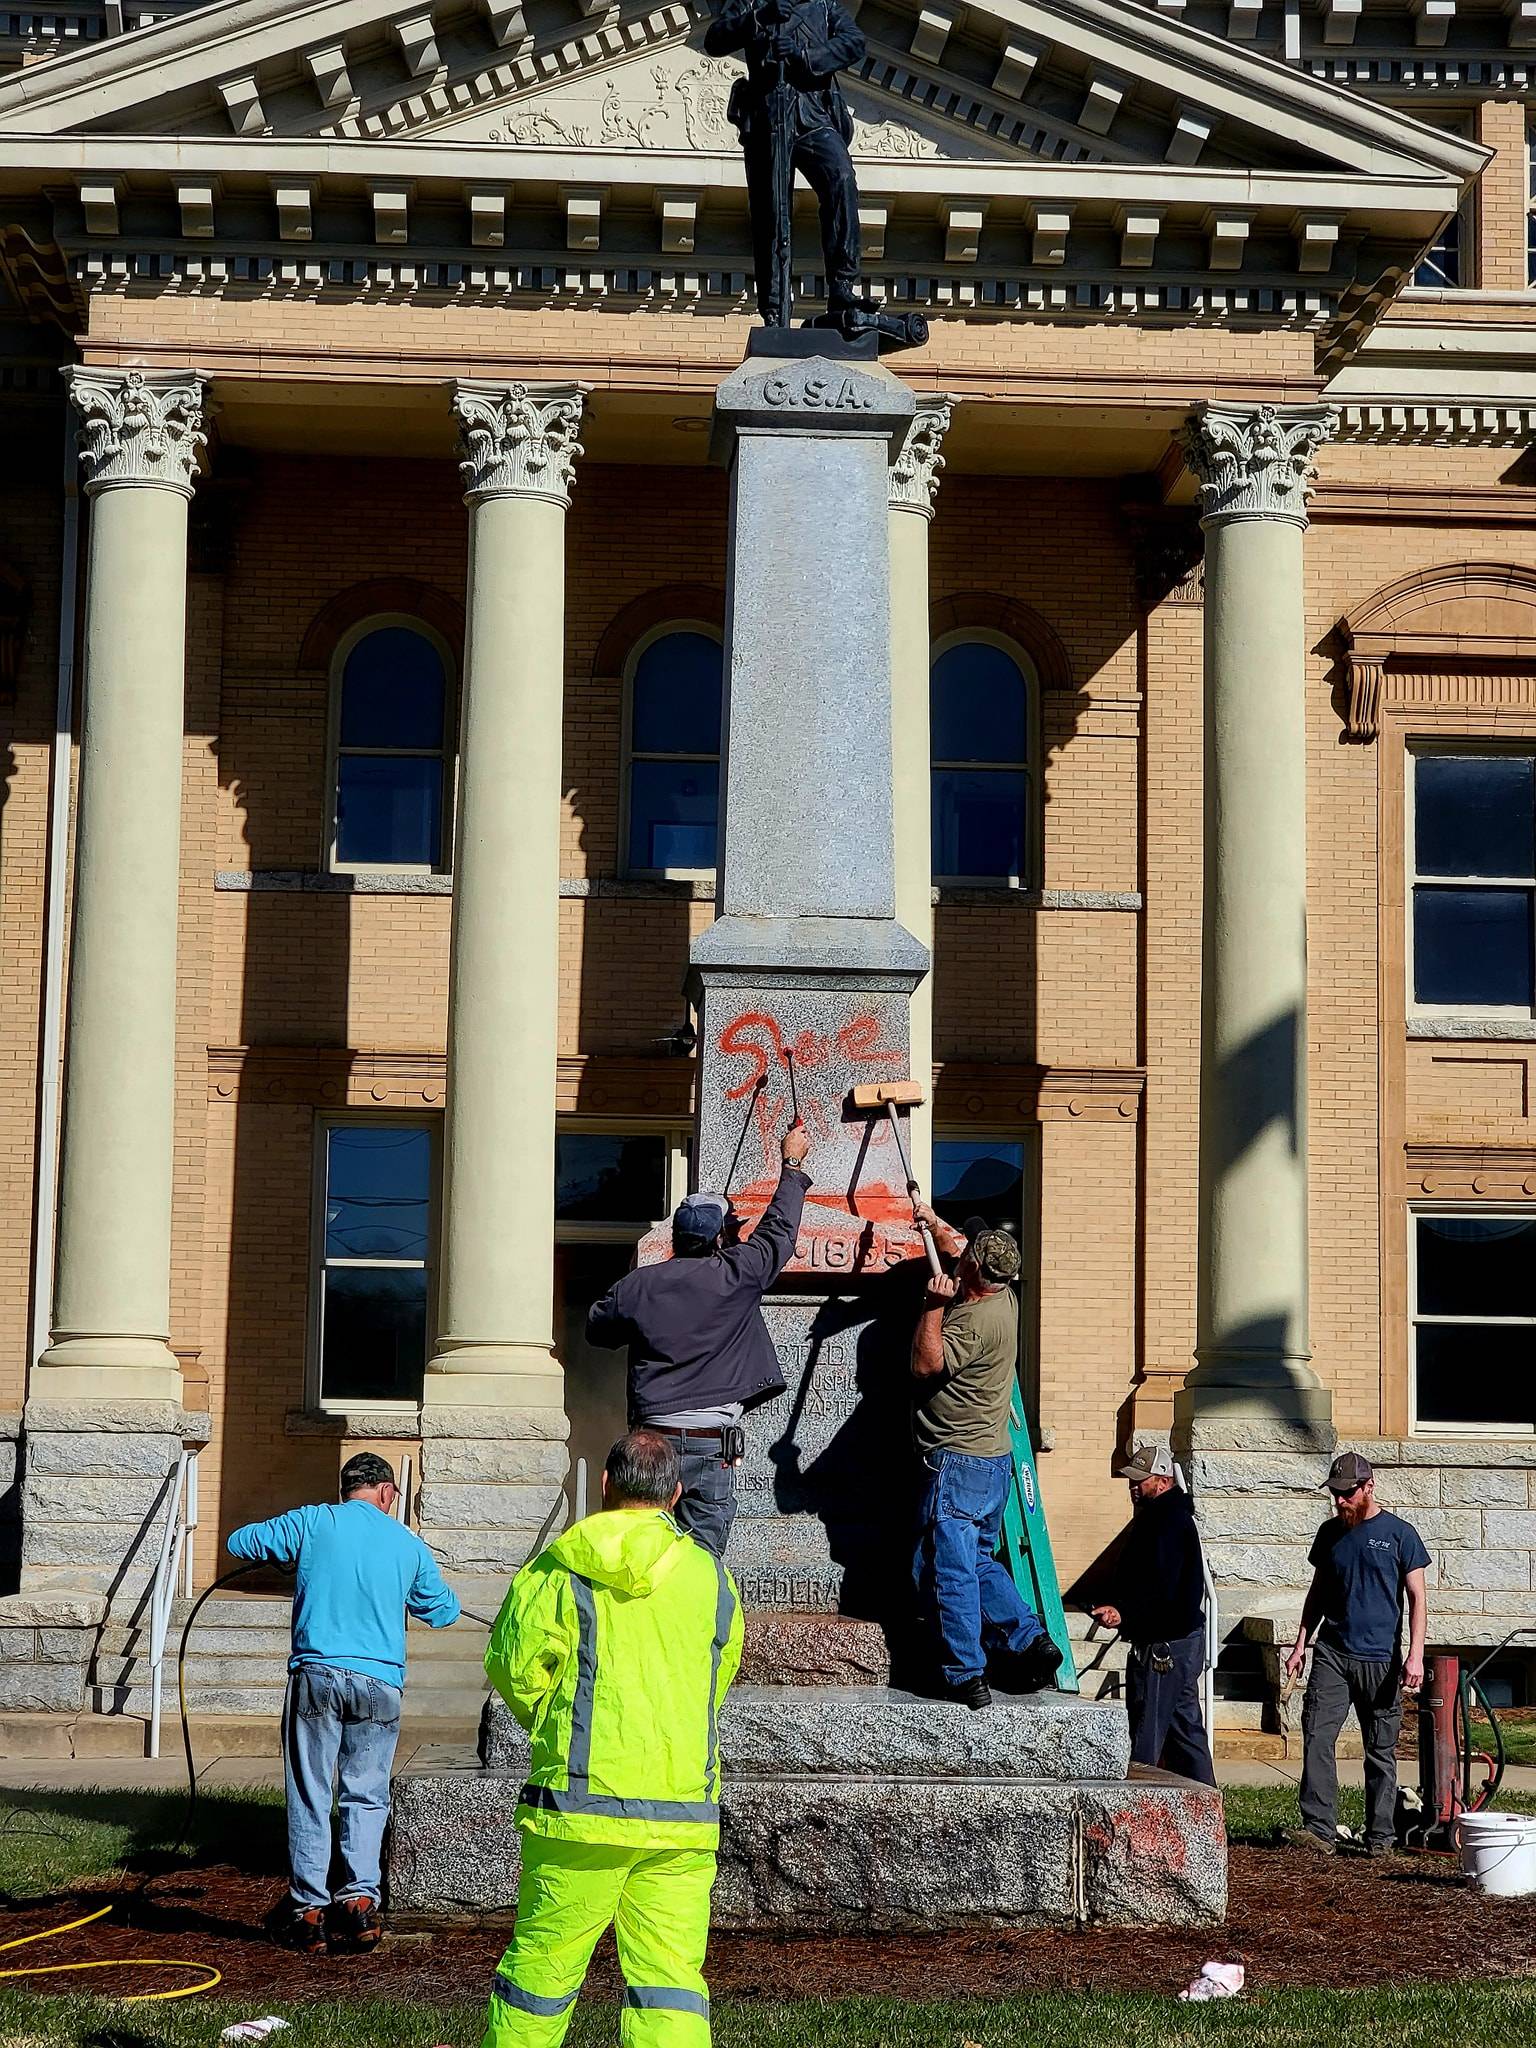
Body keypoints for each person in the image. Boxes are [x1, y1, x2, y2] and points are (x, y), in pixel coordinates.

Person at [479, 1429, 742, 2048]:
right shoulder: (710, 1578)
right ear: (676, 1494)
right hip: (681, 1813)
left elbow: (514, 1668)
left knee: (541, 1975)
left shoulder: (556, 1570)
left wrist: (557, 1726)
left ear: (604, 1485)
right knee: (670, 1984)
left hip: (579, 1812)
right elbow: (717, 1675)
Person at [228, 1451, 460, 1952]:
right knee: (367, 1792)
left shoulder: (312, 1522)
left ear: (347, 1489)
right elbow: (442, 1612)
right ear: (385, 1492)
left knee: (311, 1790)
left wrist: (288, 1553)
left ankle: (309, 1910)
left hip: (317, 1675)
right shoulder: (407, 1544)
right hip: (380, 1683)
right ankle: (358, 1903)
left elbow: (239, 1541)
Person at [586, 1124, 810, 1556]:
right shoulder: (737, 1274)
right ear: (720, 1238)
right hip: (713, 1445)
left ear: (677, 1237)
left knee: (641, 1555)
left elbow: (598, 1328)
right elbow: (779, 1230)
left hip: (652, 1443)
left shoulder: (639, 1286)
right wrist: (792, 1163)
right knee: (702, 1564)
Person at [909, 1205, 1060, 1709]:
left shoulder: (972, 1321)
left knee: (948, 1571)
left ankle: (965, 1674)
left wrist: (932, 1305)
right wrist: (933, 1222)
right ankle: (1028, 1638)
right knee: (976, 1560)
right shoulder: (1005, 1296)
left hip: (957, 1463)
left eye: (966, 1260)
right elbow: (959, 1246)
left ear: (974, 1271)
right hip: (992, 1461)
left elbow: (926, 1365)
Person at [1284, 1450, 1431, 1856]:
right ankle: (1319, 1829)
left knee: (1379, 1750)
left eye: (1348, 1494)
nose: (1340, 1501)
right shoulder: (1329, 1534)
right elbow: (1317, 1594)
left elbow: (1418, 1598)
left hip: (1381, 1660)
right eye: (1335, 1494)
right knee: (1317, 1736)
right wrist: (1301, 1645)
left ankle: (1380, 1836)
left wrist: (1415, 1656)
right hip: (1332, 1652)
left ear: (1369, 1487)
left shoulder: (1401, 1535)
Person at [702, 0, 866, 328]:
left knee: (841, 177)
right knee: (771, 212)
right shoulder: (751, 2)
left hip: (812, 115)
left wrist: (803, 57)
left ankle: (842, 286)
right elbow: (715, 39)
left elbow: (854, 42)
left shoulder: (823, 5)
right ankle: (774, 307)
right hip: (767, 117)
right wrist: (759, 18)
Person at [1090, 1444, 1216, 1787]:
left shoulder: (1167, 1522)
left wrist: (1125, 1613)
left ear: (1161, 1480)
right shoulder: (1162, 1517)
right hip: (1177, 1638)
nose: (1133, 1486)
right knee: (1185, 1728)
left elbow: (1161, 1586)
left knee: (1147, 1730)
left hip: (1165, 1645)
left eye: (1140, 1480)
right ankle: (1205, 1799)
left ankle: (1139, 1802)